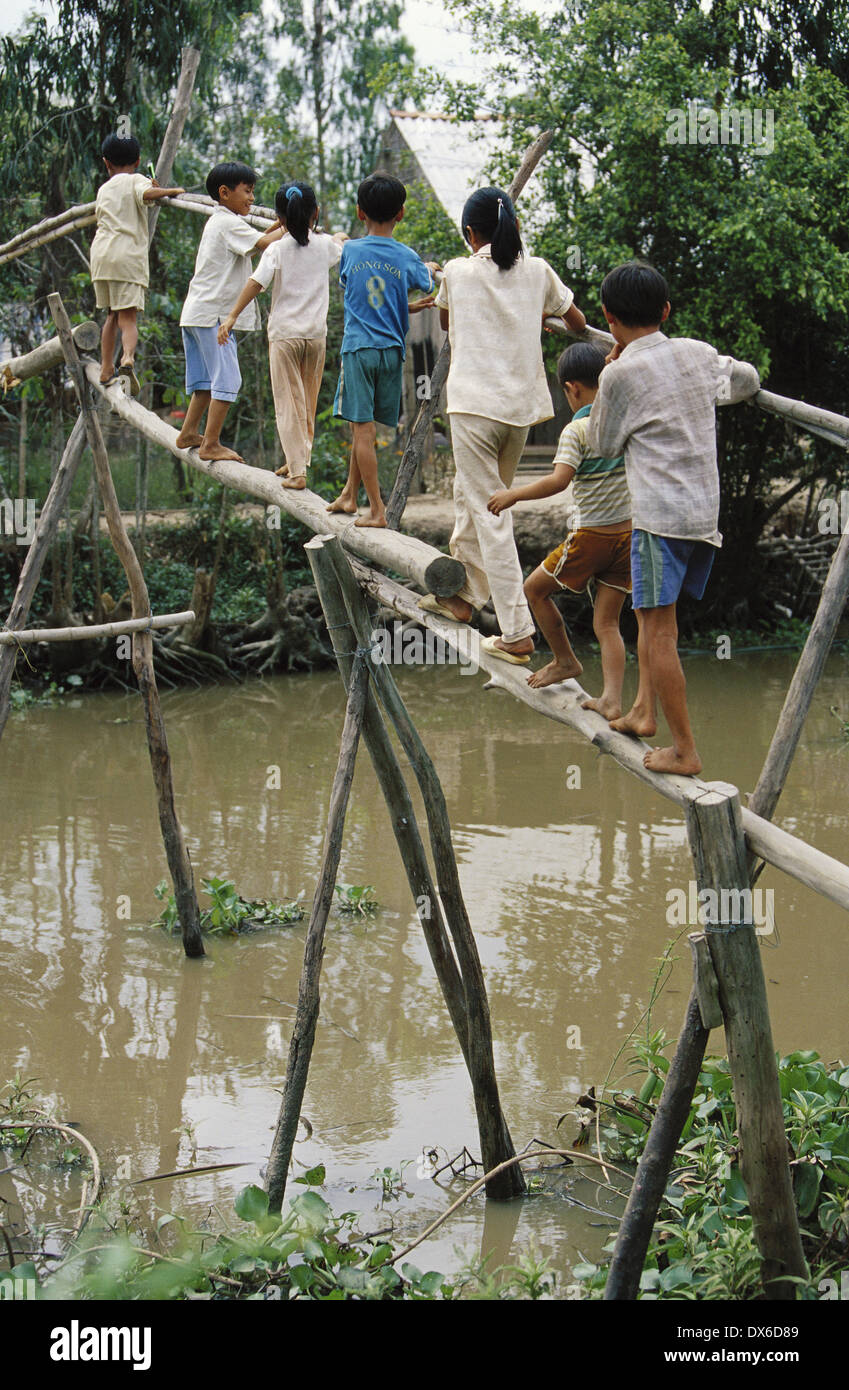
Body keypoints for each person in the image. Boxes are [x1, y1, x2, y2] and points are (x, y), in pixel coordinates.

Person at [585, 261, 761, 775]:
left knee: (660, 633)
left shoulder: (619, 373)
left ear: (608, 317)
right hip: (703, 515)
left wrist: (608, 370)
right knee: (653, 620)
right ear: (665, 311)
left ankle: (685, 750)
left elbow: (601, 443)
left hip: (659, 521)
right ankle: (642, 710)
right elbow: (747, 380)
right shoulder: (697, 354)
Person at [418, 186, 586, 664]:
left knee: (491, 513)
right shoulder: (538, 271)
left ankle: (516, 631)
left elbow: (447, 322)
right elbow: (576, 322)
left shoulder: (457, 271)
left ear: (470, 233)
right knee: (473, 497)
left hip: (473, 408)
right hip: (518, 411)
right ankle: (463, 597)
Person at [487, 342, 631, 712]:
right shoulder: (625, 418)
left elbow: (559, 480)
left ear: (570, 388)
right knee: (608, 623)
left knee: (534, 590)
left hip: (592, 536)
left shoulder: (577, 429)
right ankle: (613, 701)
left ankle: (565, 660)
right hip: (629, 538)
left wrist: (512, 495)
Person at [218, 181, 347, 489]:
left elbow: (255, 283)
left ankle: (298, 471)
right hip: (315, 337)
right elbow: (339, 243)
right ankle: (297, 459)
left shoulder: (276, 249)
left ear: (280, 218)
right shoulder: (325, 245)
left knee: (288, 403)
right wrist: (339, 234)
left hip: (285, 337)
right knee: (307, 401)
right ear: (315, 213)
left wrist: (232, 315)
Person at [327, 173, 439, 527]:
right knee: (367, 429)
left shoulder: (351, 252)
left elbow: (353, 285)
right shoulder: (407, 257)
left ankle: (377, 509)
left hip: (359, 350)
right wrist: (431, 269)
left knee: (361, 431)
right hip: (392, 352)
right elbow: (423, 281)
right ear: (401, 213)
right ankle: (349, 494)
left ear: (360, 213)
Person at [176, 162, 283, 463]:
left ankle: (189, 432)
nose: (251, 198)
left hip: (196, 313)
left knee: (205, 383)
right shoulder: (227, 222)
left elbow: (259, 237)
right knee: (228, 380)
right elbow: (263, 243)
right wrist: (292, 224)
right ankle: (210, 443)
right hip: (214, 316)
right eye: (247, 191)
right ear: (224, 193)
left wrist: (282, 223)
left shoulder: (222, 221)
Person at [90, 133, 184, 395]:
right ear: (138, 161)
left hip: (100, 256)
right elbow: (148, 193)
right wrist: (170, 190)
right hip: (127, 257)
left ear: (106, 163)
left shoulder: (104, 188)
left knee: (110, 314)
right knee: (128, 318)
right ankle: (128, 359)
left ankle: (106, 368)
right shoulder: (136, 180)